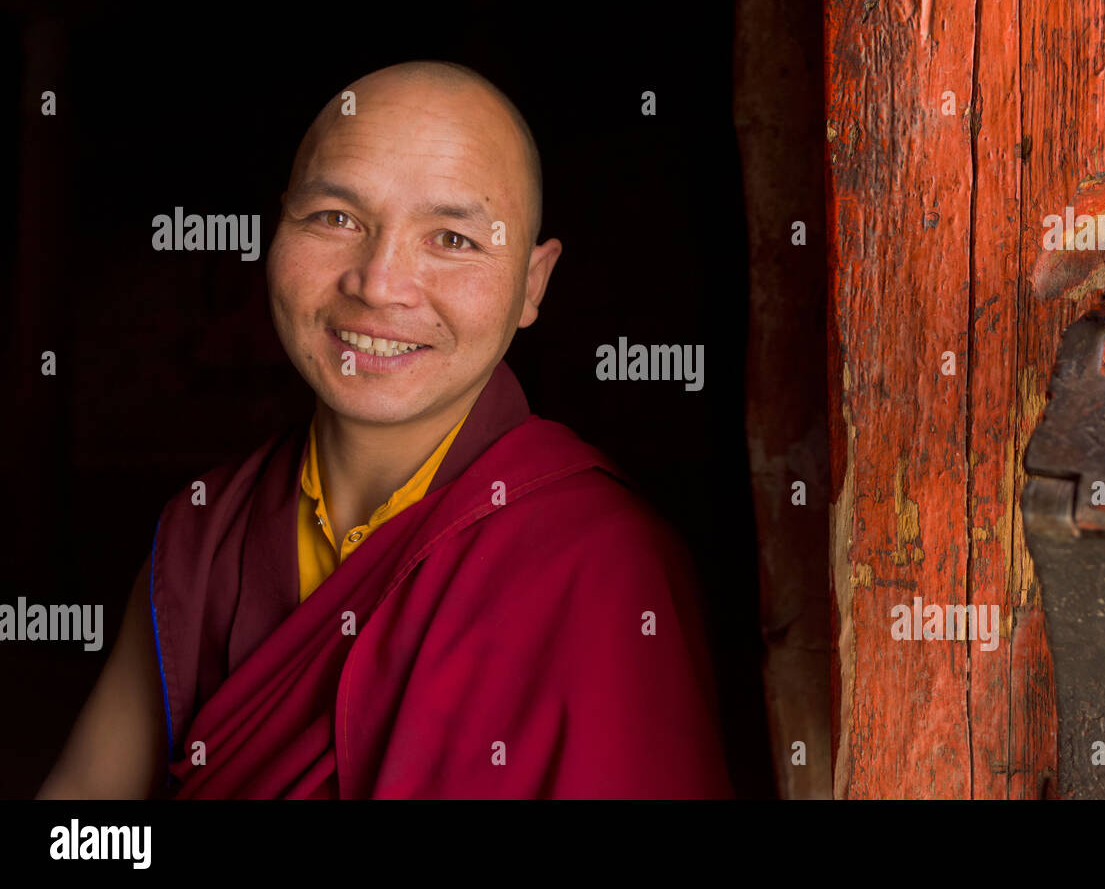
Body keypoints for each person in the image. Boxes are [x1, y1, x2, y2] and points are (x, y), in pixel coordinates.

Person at [37, 61, 732, 799]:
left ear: (534, 285)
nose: (377, 281)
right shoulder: (207, 529)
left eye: (453, 238)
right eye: (336, 219)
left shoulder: (600, 560)